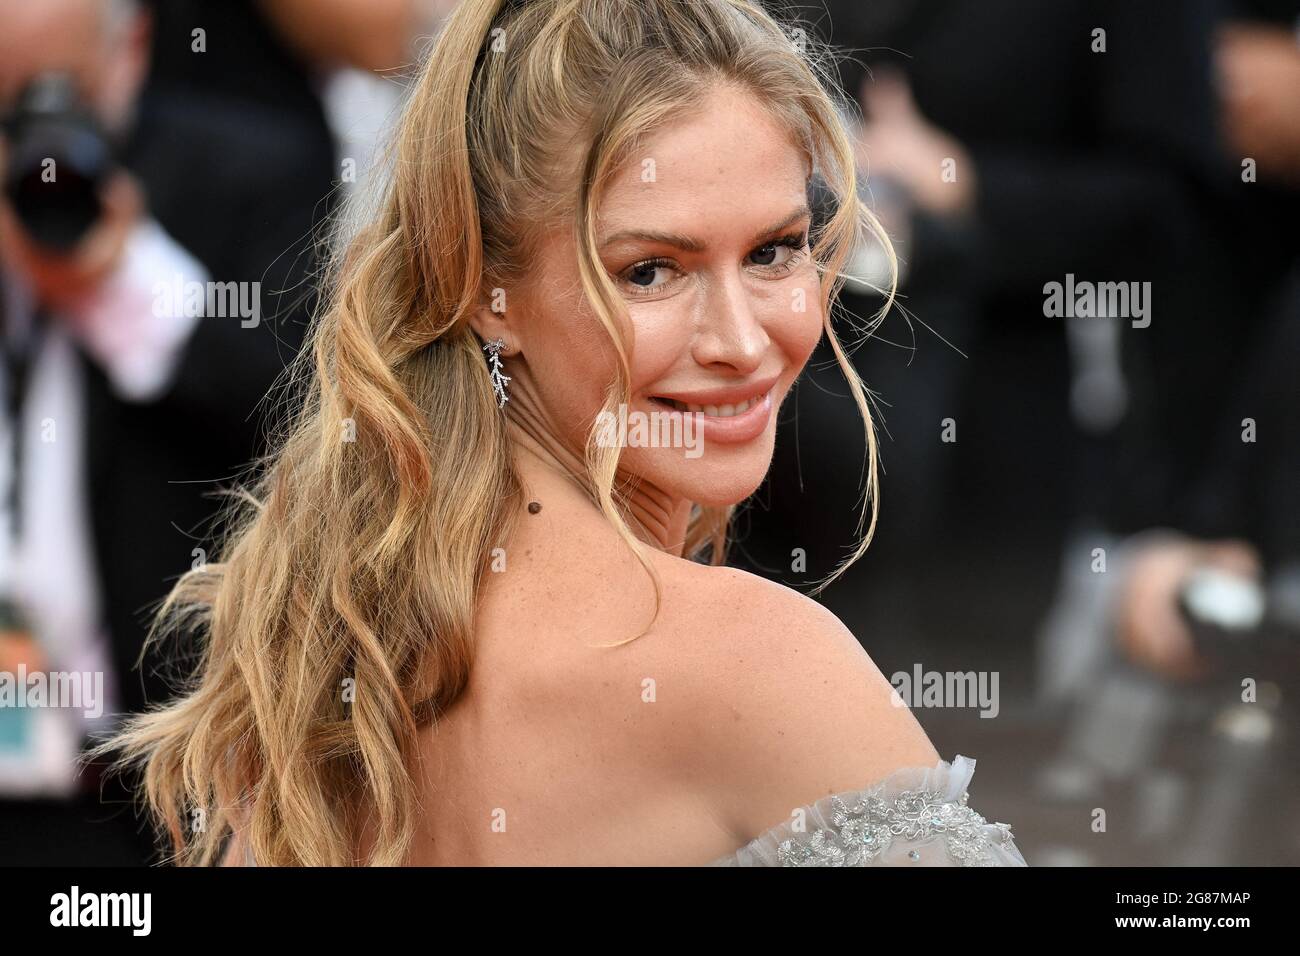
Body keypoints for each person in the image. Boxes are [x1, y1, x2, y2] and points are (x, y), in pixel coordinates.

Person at [98, 0, 1028, 868]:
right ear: (483, 290)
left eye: (774, 251)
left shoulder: (319, 647)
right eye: (652, 270)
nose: (745, 342)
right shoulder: (758, 660)